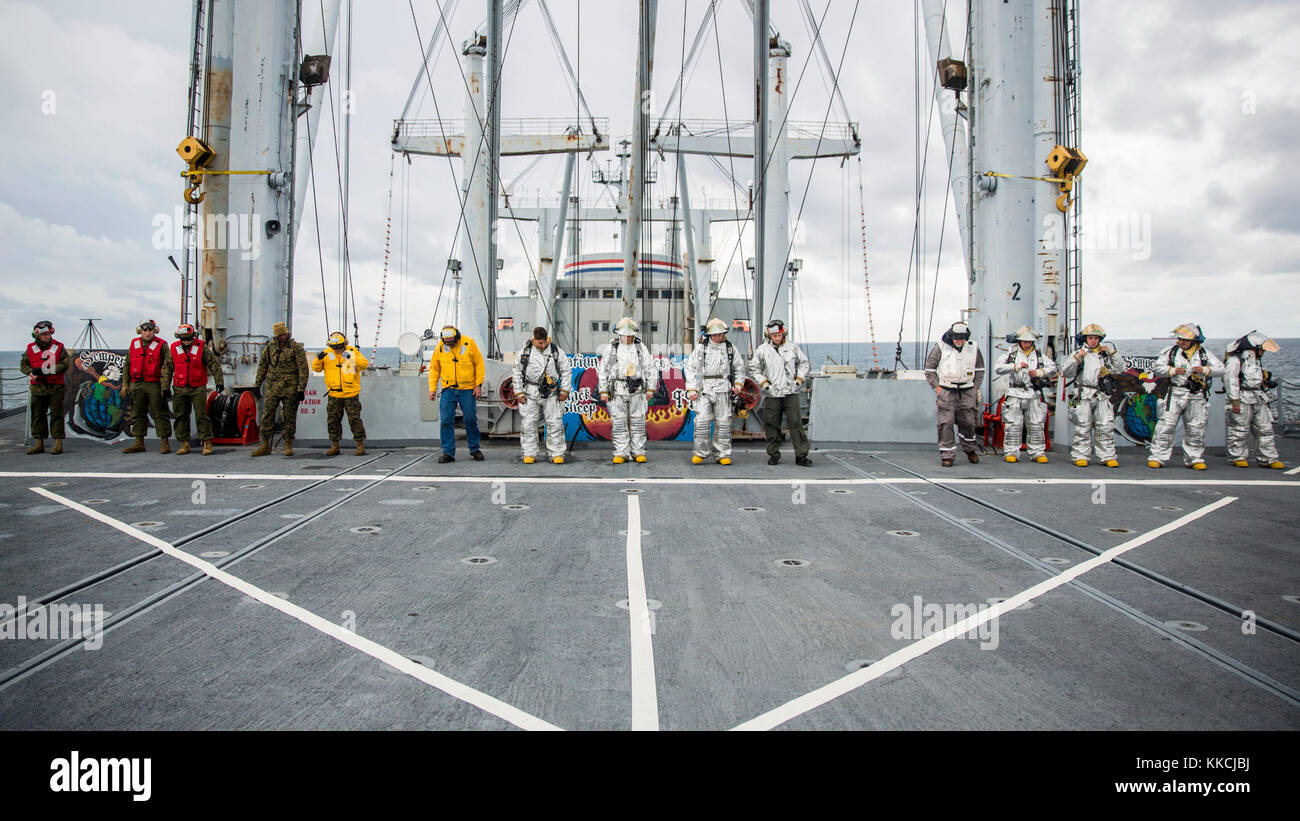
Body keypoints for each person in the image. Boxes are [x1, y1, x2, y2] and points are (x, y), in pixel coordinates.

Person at [1149, 323, 1224, 469]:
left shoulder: (1204, 354)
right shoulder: (1170, 352)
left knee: (1196, 427)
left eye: (1185, 339)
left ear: (1194, 341)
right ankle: (1158, 456)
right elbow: (1157, 368)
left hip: (1196, 394)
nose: (1181, 342)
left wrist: (1205, 370)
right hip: (1176, 392)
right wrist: (1172, 371)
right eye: (1180, 339)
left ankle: (1194, 458)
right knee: (1166, 426)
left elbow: (1221, 369)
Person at [748, 318, 813, 466]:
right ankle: (773, 454)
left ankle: (801, 455)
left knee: (795, 423)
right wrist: (764, 383)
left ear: (784, 334)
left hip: (791, 391)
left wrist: (799, 379)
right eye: (774, 336)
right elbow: (754, 368)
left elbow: (803, 364)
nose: (777, 338)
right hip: (772, 393)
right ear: (769, 336)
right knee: (771, 424)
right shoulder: (762, 350)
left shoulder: (792, 348)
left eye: (779, 335)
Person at [1061, 323, 1125, 467]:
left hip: (1101, 393)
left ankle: (1107, 456)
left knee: (1105, 426)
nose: (1093, 341)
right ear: (1086, 339)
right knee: (1082, 426)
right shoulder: (1079, 353)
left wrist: (1113, 353)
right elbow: (1066, 372)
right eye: (1090, 338)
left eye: (1096, 338)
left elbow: (1120, 369)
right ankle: (1080, 455)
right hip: (1084, 393)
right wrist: (1077, 358)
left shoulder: (1105, 355)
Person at [924, 321, 985, 467]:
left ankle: (970, 449)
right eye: (956, 337)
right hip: (946, 390)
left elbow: (980, 370)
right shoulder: (940, 347)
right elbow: (930, 369)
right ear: (951, 336)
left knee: (969, 422)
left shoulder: (973, 348)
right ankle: (947, 455)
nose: (959, 340)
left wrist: (975, 388)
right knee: (945, 423)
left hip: (967, 390)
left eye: (962, 337)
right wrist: (937, 388)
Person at [597, 317, 658, 464]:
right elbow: (603, 370)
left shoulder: (640, 348)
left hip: (637, 391)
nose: (627, 337)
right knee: (619, 422)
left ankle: (638, 452)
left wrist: (650, 388)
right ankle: (621, 452)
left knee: (638, 422)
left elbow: (649, 368)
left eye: (630, 335)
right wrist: (604, 390)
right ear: (619, 334)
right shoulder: (611, 348)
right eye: (624, 335)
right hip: (617, 390)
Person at [686, 318, 746, 465]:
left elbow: (739, 367)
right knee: (702, 422)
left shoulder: (730, 348)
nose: (717, 337)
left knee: (724, 422)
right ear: (709, 335)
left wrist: (738, 384)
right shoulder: (702, 348)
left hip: (723, 389)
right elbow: (691, 368)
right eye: (714, 335)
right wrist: (692, 389)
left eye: (720, 334)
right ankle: (701, 453)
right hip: (705, 389)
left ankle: (722, 454)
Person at [994, 326, 1057, 463]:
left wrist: (1040, 372)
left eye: (1029, 341)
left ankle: (1037, 452)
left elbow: (1053, 368)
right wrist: (1015, 366)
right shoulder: (1012, 354)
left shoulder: (1039, 356)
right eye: (1024, 341)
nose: (1027, 344)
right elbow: (998, 368)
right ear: (1019, 341)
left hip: (1033, 393)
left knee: (1036, 423)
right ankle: (1011, 452)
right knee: (1013, 424)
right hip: (1015, 393)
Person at [512, 326, 572, 464]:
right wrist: (519, 392)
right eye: (540, 343)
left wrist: (564, 390)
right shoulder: (525, 352)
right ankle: (529, 452)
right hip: (530, 392)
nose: (543, 345)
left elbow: (566, 370)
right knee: (528, 423)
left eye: (544, 342)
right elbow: (517, 372)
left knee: (555, 422)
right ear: (534, 340)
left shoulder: (556, 351)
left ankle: (556, 453)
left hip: (551, 393)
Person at [1224, 331, 1284, 469]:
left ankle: (1268, 458)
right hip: (1242, 397)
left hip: (1258, 397)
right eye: (1262, 349)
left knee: (1265, 428)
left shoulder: (1255, 361)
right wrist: (1234, 401)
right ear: (1254, 347)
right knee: (1239, 429)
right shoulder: (1235, 361)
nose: (1263, 351)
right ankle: (1237, 456)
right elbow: (1230, 380)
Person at [163, 323, 225, 455]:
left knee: (201, 415)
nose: (186, 340)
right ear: (179, 337)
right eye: (183, 338)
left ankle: (207, 442)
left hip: (197, 388)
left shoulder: (201, 347)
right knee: (181, 416)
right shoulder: (174, 348)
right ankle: (184, 443)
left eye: (188, 337)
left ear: (193, 336)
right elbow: (167, 369)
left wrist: (219, 381)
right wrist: (165, 387)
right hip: (180, 388)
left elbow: (213, 364)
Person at [428, 325, 485, 463]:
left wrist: (478, 385)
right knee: (446, 420)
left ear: (457, 336)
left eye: (451, 341)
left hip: (467, 389)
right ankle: (448, 452)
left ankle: (474, 448)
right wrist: (432, 388)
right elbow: (434, 369)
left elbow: (479, 364)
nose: (449, 343)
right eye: (446, 341)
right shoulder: (440, 347)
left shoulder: (469, 343)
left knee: (470, 419)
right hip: (448, 389)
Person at [251, 321, 308, 457]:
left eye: (283, 334)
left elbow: (303, 369)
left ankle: (288, 443)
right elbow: (263, 366)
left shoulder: (295, 347)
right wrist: (257, 384)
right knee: (267, 415)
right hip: (272, 387)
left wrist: (301, 389)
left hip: (290, 387)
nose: (282, 337)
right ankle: (265, 444)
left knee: (289, 416)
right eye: (279, 335)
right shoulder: (270, 347)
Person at [312, 332, 369, 456]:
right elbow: (316, 368)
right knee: (333, 420)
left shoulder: (352, 351)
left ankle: (360, 444)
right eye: (335, 347)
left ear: (344, 345)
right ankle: (334, 445)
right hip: (334, 393)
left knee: (355, 420)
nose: (337, 350)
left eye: (339, 347)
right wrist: (318, 359)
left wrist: (350, 357)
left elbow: (364, 364)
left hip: (350, 393)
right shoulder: (327, 353)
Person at [121, 319, 173, 454]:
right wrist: (125, 385)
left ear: (154, 330)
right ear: (141, 331)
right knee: (137, 414)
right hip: (136, 384)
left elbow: (167, 366)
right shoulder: (134, 344)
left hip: (154, 384)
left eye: (150, 330)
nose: (148, 333)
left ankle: (164, 442)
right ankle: (139, 443)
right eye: (145, 330)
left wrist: (165, 386)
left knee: (160, 413)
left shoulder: (162, 345)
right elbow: (127, 365)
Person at [19, 320, 71, 455]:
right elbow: (23, 364)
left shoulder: (59, 347)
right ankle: (39, 443)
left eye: (48, 333)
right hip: (37, 387)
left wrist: (48, 370)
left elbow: (65, 364)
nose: (47, 336)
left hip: (55, 387)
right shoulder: (30, 348)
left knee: (56, 415)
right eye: (44, 334)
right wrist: (30, 372)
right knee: (37, 415)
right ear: (37, 335)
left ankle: (58, 443)